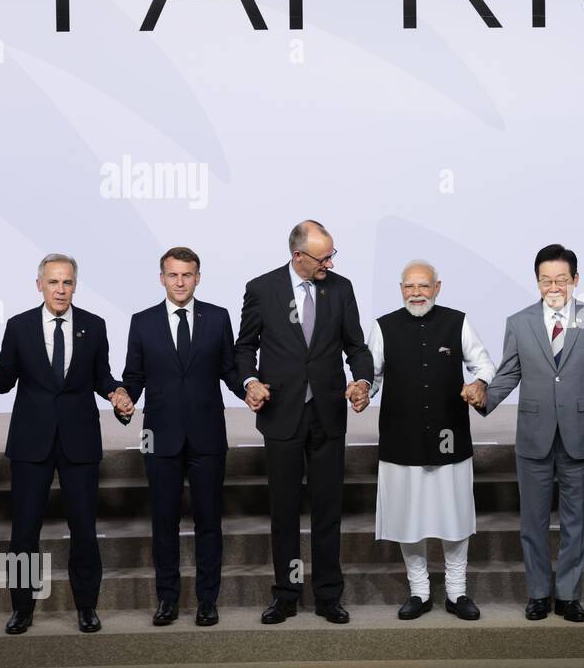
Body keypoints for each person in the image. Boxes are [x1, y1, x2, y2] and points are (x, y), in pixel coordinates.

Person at [476, 244, 584, 622]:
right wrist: (484, 398)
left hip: (578, 434)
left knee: (575, 521)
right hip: (533, 436)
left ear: (575, 280)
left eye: (561, 280)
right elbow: (509, 373)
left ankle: (568, 595)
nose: (554, 286)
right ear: (537, 282)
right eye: (546, 280)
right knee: (532, 523)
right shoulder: (519, 322)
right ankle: (537, 594)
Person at [0, 254, 133, 634]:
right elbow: (5, 382)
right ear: (39, 286)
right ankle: (22, 609)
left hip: (79, 442)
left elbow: (102, 376)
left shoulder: (93, 326)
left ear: (75, 286)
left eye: (67, 283)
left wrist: (117, 394)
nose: (60, 289)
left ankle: (86, 607)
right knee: (24, 532)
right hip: (31, 443)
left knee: (83, 528)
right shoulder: (19, 326)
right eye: (53, 282)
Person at [235, 221, 373, 625]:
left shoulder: (340, 288)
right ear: (298, 256)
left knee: (328, 509)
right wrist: (249, 381)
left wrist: (363, 381)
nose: (329, 262)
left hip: (328, 415)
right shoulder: (262, 289)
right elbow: (244, 348)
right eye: (322, 257)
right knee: (285, 511)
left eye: (332, 255)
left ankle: (329, 595)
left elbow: (356, 346)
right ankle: (287, 594)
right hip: (282, 415)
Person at [120, 247, 247, 628]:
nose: (180, 282)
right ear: (162, 278)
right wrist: (124, 399)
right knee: (164, 522)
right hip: (159, 438)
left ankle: (208, 600)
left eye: (187, 275)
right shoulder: (141, 322)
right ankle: (167, 600)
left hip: (208, 435)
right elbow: (134, 377)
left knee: (209, 521)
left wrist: (249, 389)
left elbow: (229, 370)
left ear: (198, 277)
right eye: (173, 275)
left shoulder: (218, 318)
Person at [365, 259, 496, 621]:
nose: (417, 293)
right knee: (409, 518)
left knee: (453, 517)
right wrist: (362, 389)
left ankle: (457, 592)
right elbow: (371, 376)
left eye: (424, 286)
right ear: (401, 289)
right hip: (400, 437)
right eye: (410, 286)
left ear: (437, 287)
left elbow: (484, 365)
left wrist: (478, 384)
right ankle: (419, 591)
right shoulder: (383, 326)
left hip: (449, 437)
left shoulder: (458, 322)